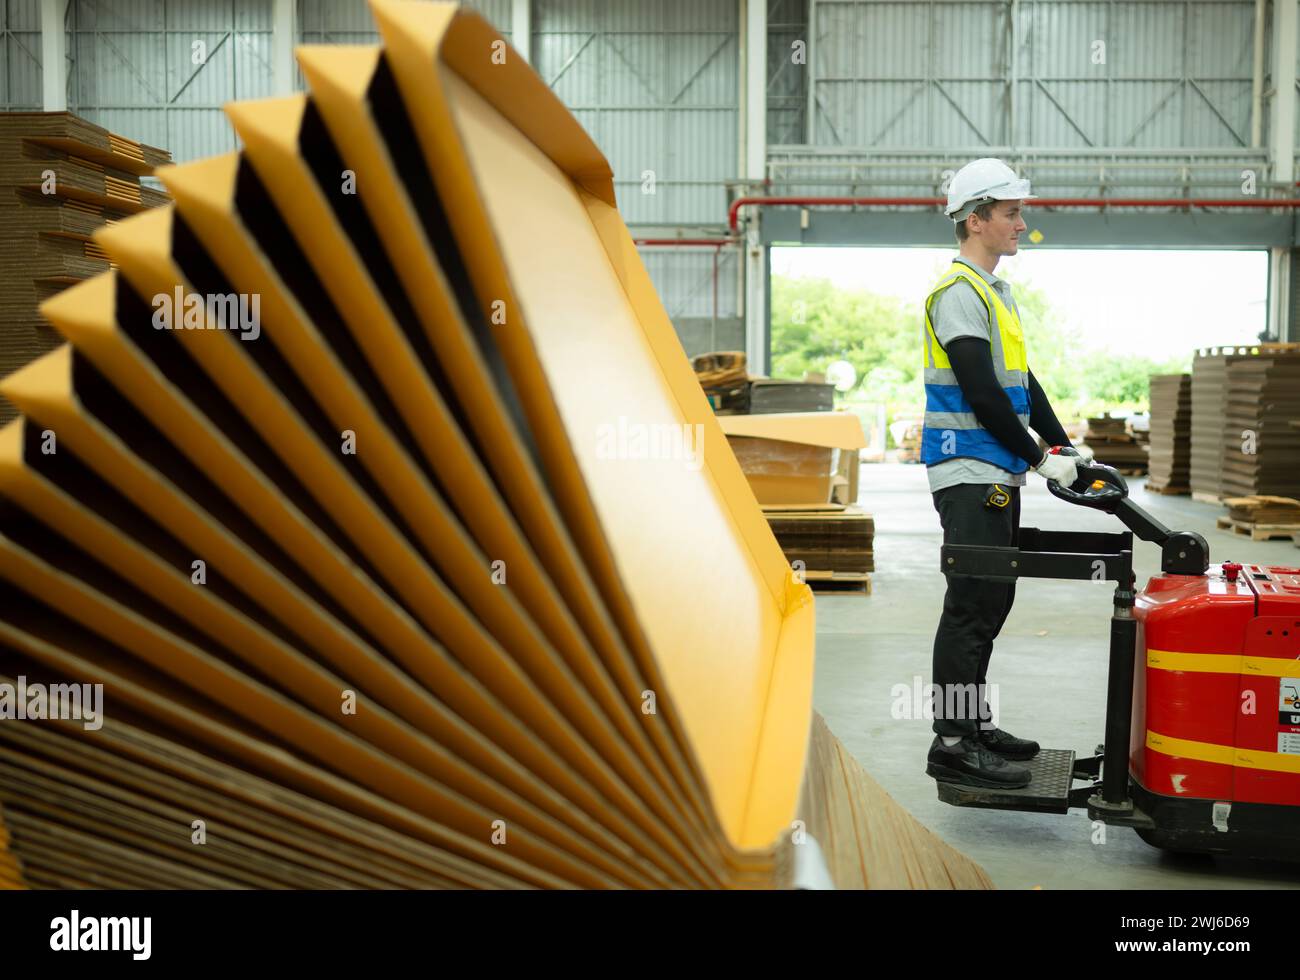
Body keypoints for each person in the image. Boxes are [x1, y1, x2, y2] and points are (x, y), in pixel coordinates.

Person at [920, 158, 1091, 789]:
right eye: (1012, 212)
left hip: (992, 468)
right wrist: (1041, 459)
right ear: (976, 220)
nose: (1023, 223)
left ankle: (974, 724)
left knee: (994, 594)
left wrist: (1067, 449)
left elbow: (1023, 384)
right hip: (966, 467)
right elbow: (983, 394)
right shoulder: (958, 293)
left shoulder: (995, 294)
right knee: (971, 602)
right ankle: (954, 741)